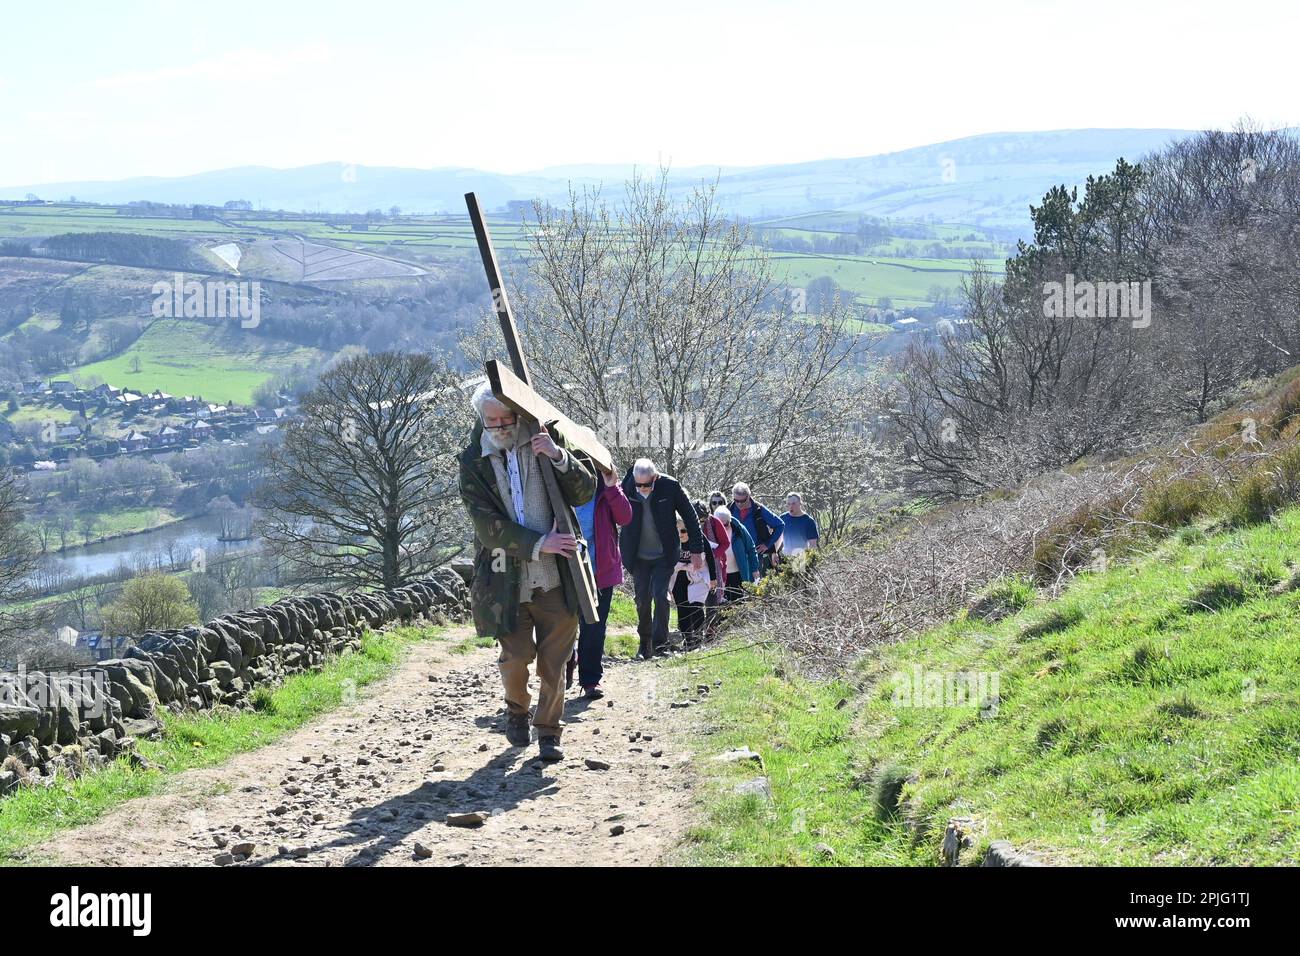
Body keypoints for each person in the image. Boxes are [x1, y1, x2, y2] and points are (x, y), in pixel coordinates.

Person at [458, 382, 595, 763]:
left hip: (558, 574)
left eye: (506, 417)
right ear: (481, 420)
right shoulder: (472, 462)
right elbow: (487, 527)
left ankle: (549, 731)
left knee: (555, 662)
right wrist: (538, 544)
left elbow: (586, 490)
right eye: (492, 420)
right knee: (516, 656)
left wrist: (558, 457)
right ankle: (516, 709)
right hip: (506, 579)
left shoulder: (546, 437)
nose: (500, 426)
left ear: (518, 414)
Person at [621, 458, 704, 659]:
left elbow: (691, 517)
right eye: (638, 484)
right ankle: (644, 644)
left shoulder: (670, 486)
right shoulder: (626, 486)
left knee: (660, 596)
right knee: (642, 599)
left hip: (664, 554)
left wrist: (696, 550)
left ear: (655, 477)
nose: (642, 488)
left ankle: (660, 644)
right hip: (637, 555)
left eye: (646, 485)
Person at [572, 464, 632, 699]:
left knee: (594, 627)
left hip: (600, 570)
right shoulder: (559, 485)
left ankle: (590, 680)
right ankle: (568, 660)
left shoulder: (605, 490)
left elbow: (625, 517)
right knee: (562, 627)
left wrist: (611, 487)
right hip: (564, 569)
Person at [669, 518, 718, 648]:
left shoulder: (698, 537)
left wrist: (713, 578)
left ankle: (697, 637)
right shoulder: (670, 538)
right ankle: (688, 639)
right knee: (682, 607)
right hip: (679, 574)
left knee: (696, 606)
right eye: (677, 531)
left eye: (683, 531)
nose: (680, 534)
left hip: (698, 573)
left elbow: (710, 556)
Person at [727, 482, 785, 576]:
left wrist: (767, 544)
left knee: (754, 585)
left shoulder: (758, 509)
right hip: (733, 556)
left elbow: (780, 525)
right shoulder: (729, 509)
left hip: (754, 556)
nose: (739, 504)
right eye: (736, 500)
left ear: (749, 496)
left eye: (743, 501)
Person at [710, 495, 758, 600]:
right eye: (720, 526)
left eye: (726, 525)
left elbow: (751, 548)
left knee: (739, 605)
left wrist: (755, 569)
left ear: (730, 520)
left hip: (738, 574)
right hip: (720, 576)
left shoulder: (739, 528)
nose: (723, 528)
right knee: (723, 608)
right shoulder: (710, 532)